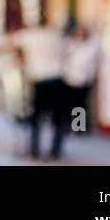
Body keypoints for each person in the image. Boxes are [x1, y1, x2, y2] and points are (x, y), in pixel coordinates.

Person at [15, 21, 69, 160]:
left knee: (36, 118)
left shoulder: (28, 36)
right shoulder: (57, 35)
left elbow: (11, 45)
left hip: (40, 81)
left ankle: (35, 150)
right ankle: (55, 152)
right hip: (57, 80)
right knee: (58, 119)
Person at [63, 22, 101, 136]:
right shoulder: (71, 45)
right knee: (73, 104)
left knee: (81, 104)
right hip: (71, 78)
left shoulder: (91, 46)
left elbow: (93, 63)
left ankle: (80, 127)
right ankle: (75, 126)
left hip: (84, 79)